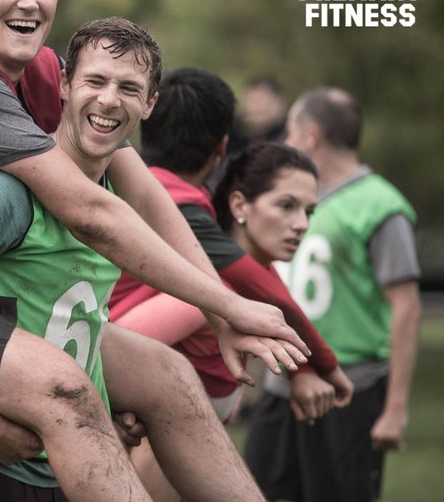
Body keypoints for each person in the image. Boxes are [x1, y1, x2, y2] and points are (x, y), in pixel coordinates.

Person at [0, 0, 308, 501]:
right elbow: (90, 212)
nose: (29, 0)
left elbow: (144, 192)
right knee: (66, 389)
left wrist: (221, 316)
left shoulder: (44, 72)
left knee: (170, 377)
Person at [109, 69, 353, 501]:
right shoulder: (193, 254)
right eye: (286, 205)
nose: (300, 225)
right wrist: (322, 364)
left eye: (309, 211)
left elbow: (259, 283)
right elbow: (113, 338)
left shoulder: (204, 241)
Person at [243, 87, 422, 502]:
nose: (284, 144)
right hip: (281, 387)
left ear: (311, 136)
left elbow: (407, 309)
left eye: (289, 133)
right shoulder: (294, 202)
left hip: (350, 391)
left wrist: (395, 410)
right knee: (250, 490)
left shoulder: (381, 205)